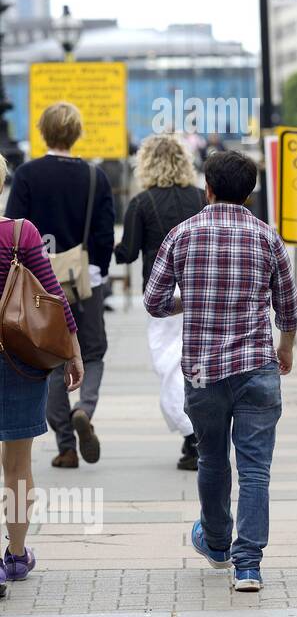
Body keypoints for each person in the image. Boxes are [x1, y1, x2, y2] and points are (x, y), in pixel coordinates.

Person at [144, 150, 297, 593]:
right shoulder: (267, 237)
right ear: (249, 194)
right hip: (257, 368)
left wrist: (189, 301)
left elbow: (154, 302)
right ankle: (248, 567)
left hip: (202, 372)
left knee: (212, 458)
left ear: (207, 189)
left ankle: (216, 544)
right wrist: (285, 348)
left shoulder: (181, 235)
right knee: (255, 469)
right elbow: (288, 308)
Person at [4, 102, 115, 468]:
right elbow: (104, 233)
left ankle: (65, 444)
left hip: (38, 285)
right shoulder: (96, 176)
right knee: (93, 352)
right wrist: (98, 271)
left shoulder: (27, 174)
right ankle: (85, 407)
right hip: (85, 279)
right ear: (77, 133)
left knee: (49, 356)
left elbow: (15, 227)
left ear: (43, 131)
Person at [0, 153, 85, 598]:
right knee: (18, 465)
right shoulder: (21, 233)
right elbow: (53, 295)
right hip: (17, 358)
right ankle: (15, 556)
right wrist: (73, 351)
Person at [114, 134, 206, 470]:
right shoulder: (201, 197)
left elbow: (128, 252)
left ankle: (192, 436)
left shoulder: (141, 202)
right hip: (201, 291)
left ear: (146, 164)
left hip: (163, 295)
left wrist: (107, 248)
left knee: (170, 365)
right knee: (198, 364)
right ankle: (200, 431)